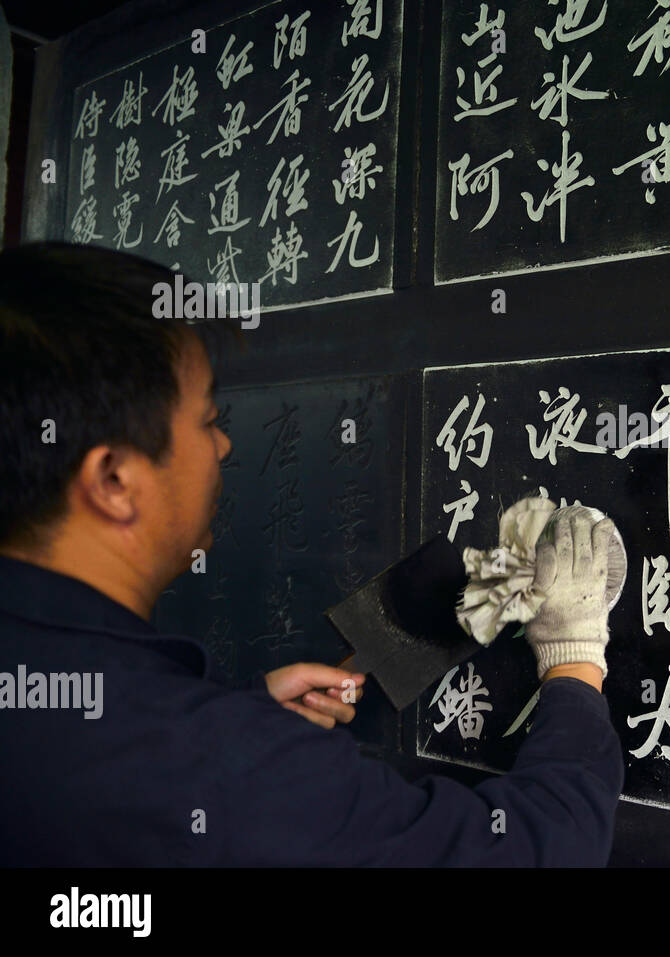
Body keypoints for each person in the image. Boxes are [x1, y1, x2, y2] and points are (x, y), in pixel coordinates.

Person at [0, 241, 623, 865]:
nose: (220, 447)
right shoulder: (219, 773)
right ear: (113, 482)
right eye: (206, 420)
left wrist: (233, 720)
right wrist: (573, 661)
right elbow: (540, 853)